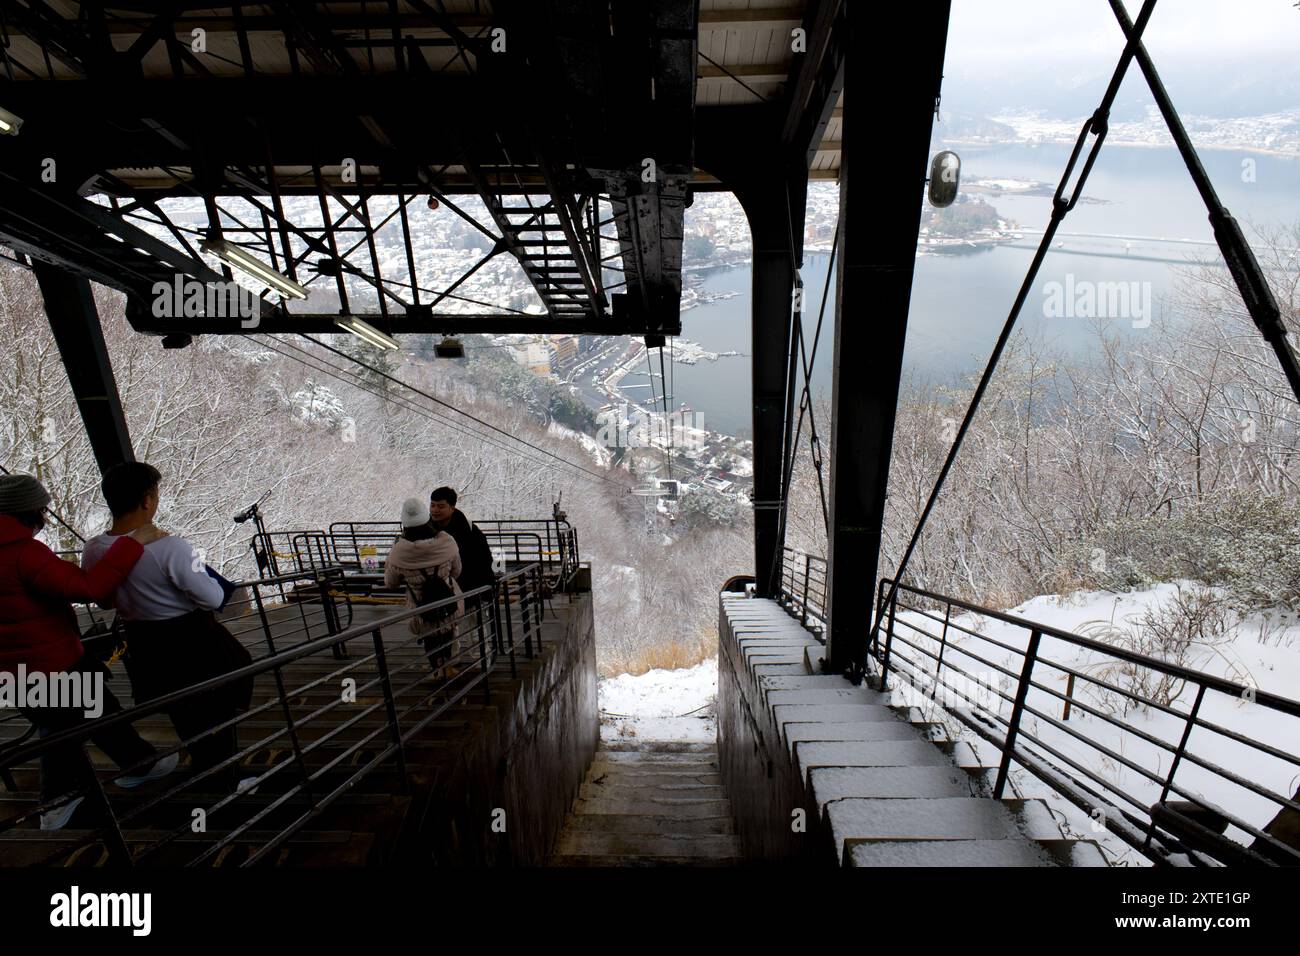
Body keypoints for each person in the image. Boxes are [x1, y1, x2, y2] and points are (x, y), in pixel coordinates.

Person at [0, 473, 178, 830]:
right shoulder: (23, 554)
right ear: (28, 511)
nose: (45, 517)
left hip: (13, 669)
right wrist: (134, 544)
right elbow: (91, 588)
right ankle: (56, 803)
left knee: (93, 710)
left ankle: (140, 762)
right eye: (41, 510)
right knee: (62, 733)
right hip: (52, 665)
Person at [81, 463, 255, 794]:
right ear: (148, 501)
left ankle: (212, 771)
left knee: (184, 709)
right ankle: (223, 781)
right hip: (192, 639)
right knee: (216, 704)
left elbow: (103, 600)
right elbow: (213, 596)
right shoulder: (170, 547)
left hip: (144, 643)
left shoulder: (94, 549)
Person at [385, 498, 465, 676]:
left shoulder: (398, 552)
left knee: (431, 639)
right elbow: (457, 571)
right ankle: (449, 668)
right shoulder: (447, 542)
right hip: (448, 601)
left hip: (421, 609)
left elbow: (390, 582)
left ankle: (437, 670)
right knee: (449, 633)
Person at [428, 487, 495, 604]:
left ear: (452, 507)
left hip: (466, 590)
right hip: (434, 593)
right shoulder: (424, 530)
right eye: (432, 505)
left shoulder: (469, 531)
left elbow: (484, 560)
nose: (435, 510)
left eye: (440, 506)